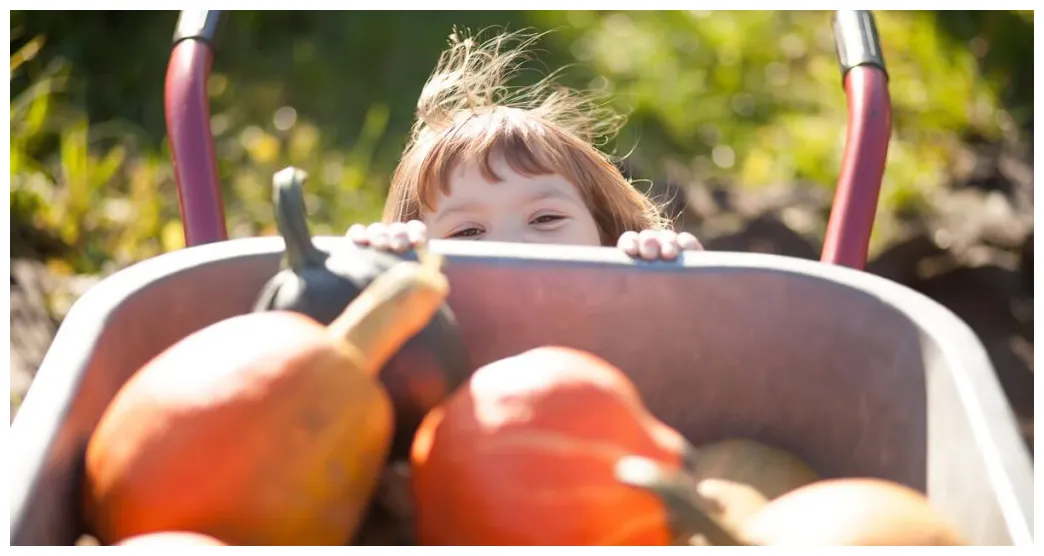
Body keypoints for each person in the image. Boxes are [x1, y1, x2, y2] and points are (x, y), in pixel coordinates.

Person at [348, 29, 703, 261]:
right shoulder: (416, 329)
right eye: (467, 231)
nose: (511, 244)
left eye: (546, 218)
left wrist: (679, 285)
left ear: (608, 235)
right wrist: (376, 272)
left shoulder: (636, 309)